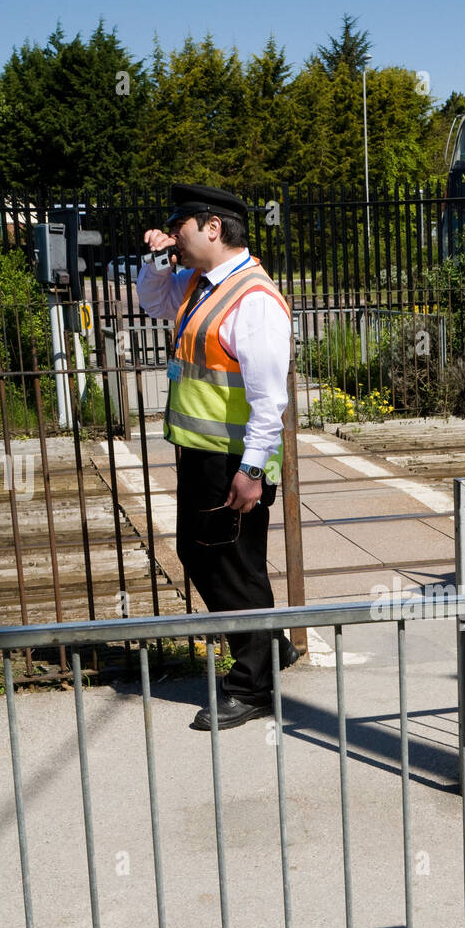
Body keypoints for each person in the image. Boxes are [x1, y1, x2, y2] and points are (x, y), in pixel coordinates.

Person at [138, 183, 298, 731]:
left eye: (178, 226)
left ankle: (254, 686)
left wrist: (252, 470)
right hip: (205, 454)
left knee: (221, 563)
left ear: (212, 227)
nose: (172, 235)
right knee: (227, 560)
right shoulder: (198, 286)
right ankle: (270, 650)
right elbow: (150, 300)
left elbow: (269, 399)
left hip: (232, 460)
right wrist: (157, 260)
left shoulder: (253, 300)